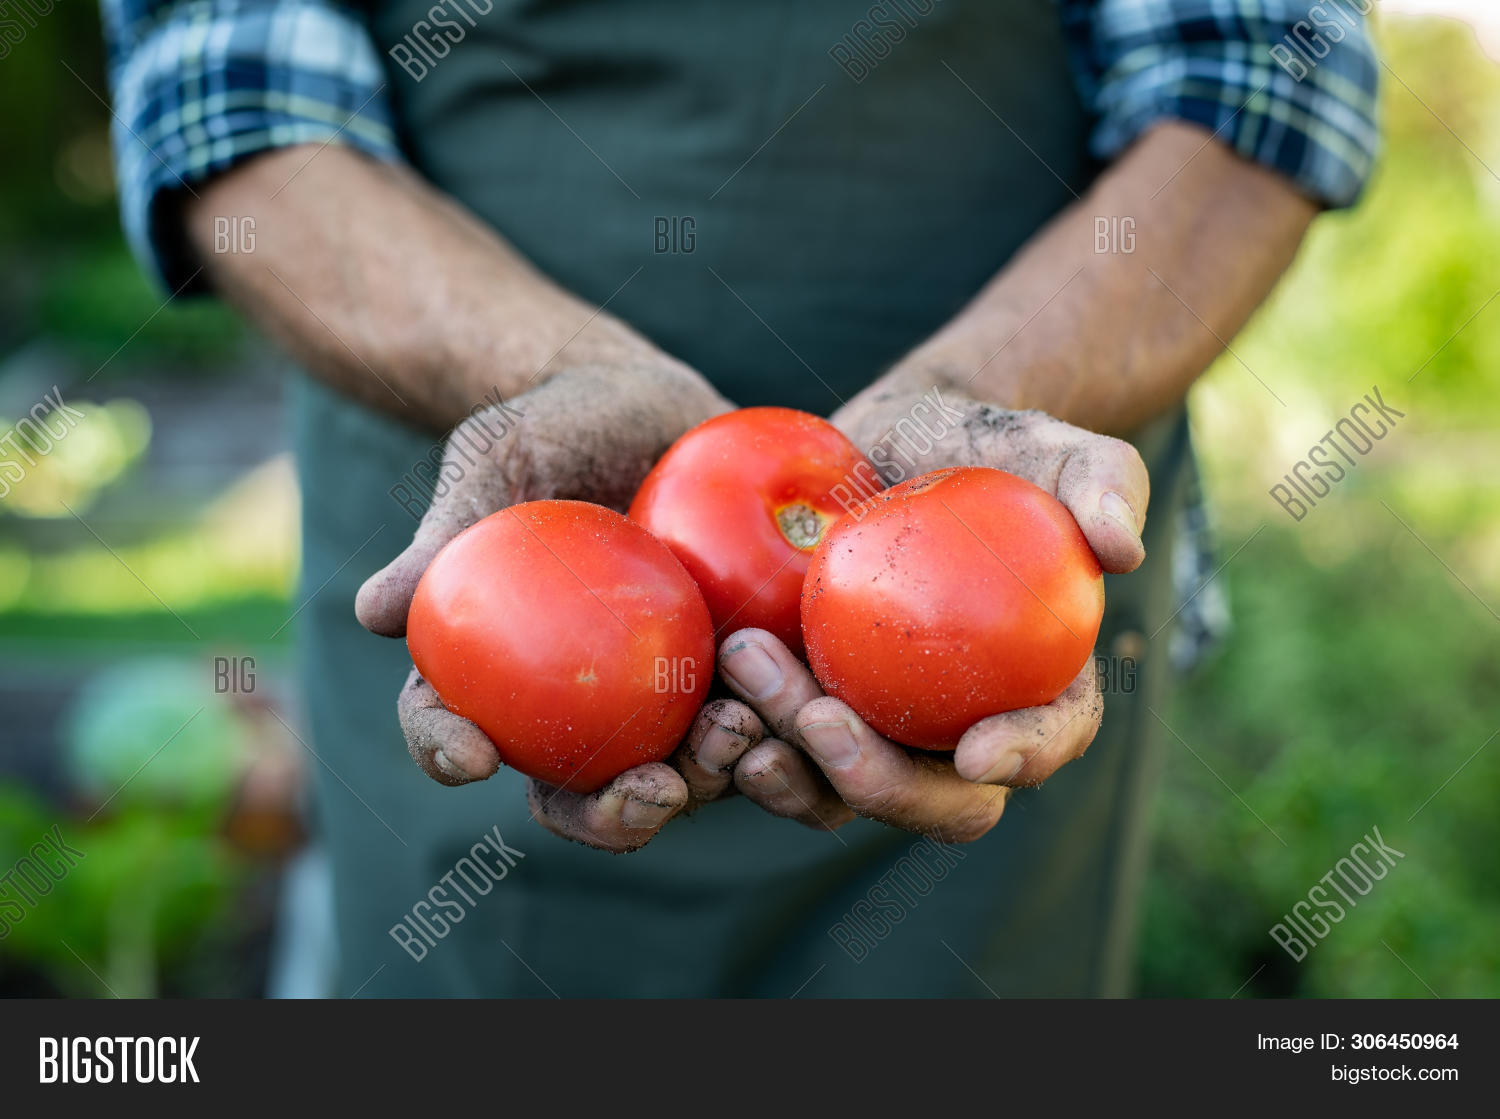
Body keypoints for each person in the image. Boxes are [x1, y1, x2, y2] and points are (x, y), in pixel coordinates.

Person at [100, 0, 1379, 996]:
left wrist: (976, 398)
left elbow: (1255, 74)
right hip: (480, 516)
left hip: (1015, 488)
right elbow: (231, 101)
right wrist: (552, 375)